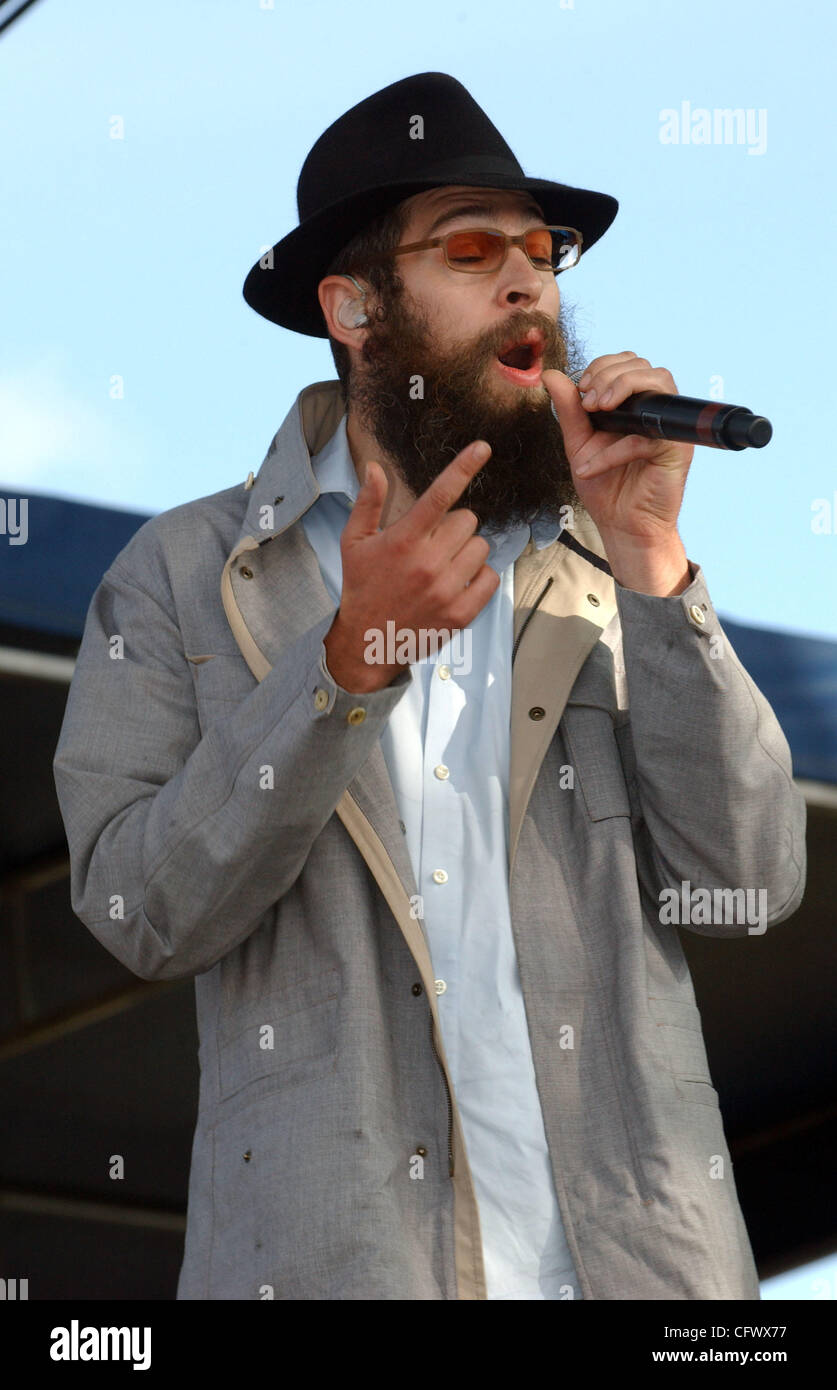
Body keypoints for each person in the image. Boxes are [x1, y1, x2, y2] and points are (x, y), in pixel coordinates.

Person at [53, 72, 806, 1300]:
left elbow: (750, 884)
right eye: (470, 249)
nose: (528, 283)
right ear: (353, 309)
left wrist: (656, 561)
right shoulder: (187, 578)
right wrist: (348, 665)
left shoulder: (607, 564)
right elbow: (141, 909)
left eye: (542, 250)